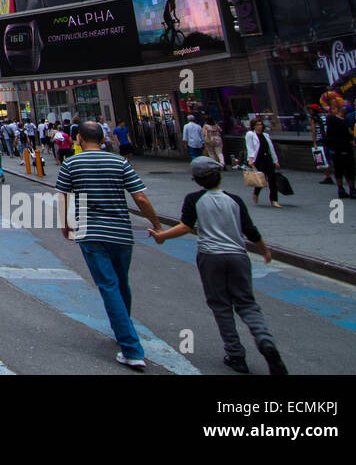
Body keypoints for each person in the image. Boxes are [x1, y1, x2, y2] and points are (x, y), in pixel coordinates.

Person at [150, 157, 288, 375]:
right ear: (220, 176)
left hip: (210, 257)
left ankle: (235, 354)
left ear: (196, 180)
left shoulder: (194, 200)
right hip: (237, 255)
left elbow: (186, 226)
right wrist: (265, 251)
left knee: (221, 306)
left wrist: (162, 236)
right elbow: (249, 230)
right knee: (247, 303)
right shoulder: (234, 200)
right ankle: (264, 340)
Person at [56, 121, 163, 370]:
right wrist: (157, 224)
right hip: (121, 234)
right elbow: (140, 197)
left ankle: (131, 349)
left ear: (79, 138)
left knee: (109, 286)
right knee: (120, 282)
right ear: (103, 139)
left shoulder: (71, 163)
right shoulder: (120, 162)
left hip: (91, 234)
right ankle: (121, 328)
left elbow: (63, 197)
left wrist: (66, 224)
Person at [244, 118, 282, 208]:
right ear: (253, 126)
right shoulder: (250, 134)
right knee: (262, 178)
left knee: (272, 178)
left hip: (267, 158)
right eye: (257, 125)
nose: (260, 126)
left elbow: (271, 149)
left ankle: (274, 200)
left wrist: (275, 161)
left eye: (261, 125)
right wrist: (251, 160)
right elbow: (250, 148)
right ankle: (256, 193)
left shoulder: (266, 135)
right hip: (258, 159)